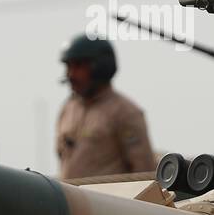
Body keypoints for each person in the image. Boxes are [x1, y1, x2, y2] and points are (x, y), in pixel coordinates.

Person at [55, 34, 157, 179]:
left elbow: (145, 173)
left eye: (78, 66)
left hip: (108, 200)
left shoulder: (125, 112)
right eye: (68, 67)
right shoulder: (68, 109)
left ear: (100, 67)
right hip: (71, 200)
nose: (71, 74)